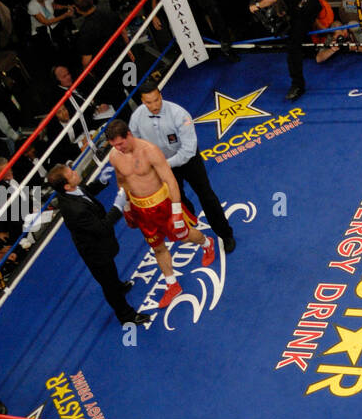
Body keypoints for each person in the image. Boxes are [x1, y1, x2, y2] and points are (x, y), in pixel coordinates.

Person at [105, 120, 217, 310]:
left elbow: (170, 180)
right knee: (157, 248)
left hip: (163, 205)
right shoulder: (115, 156)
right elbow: (121, 180)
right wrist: (126, 207)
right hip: (140, 209)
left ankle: (207, 243)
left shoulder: (150, 151)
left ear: (129, 135)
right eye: (114, 145)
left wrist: (176, 212)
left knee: (185, 236)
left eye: (120, 143)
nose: (118, 148)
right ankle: (172, 285)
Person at [128, 80, 235, 254]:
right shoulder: (137, 118)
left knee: (206, 196)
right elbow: (136, 144)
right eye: (149, 102)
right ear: (142, 101)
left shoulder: (179, 114)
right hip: (163, 164)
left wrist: (161, 165)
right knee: (177, 199)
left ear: (160, 95)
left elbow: (188, 150)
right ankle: (190, 225)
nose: (154, 105)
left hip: (188, 162)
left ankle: (225, 234)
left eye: (156, 100)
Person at [48, 164, 150, 326]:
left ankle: (119, 286)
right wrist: (118, 206)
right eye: (71, 174)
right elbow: (102, 227)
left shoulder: (70, 190)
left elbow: (85, 194)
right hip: (94, 250)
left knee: (111, 275)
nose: (76, 172)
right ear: (66, 186)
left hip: (99, 242)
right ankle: (126, 316)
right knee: (108, 283)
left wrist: (101, 182)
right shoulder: (75, 210)